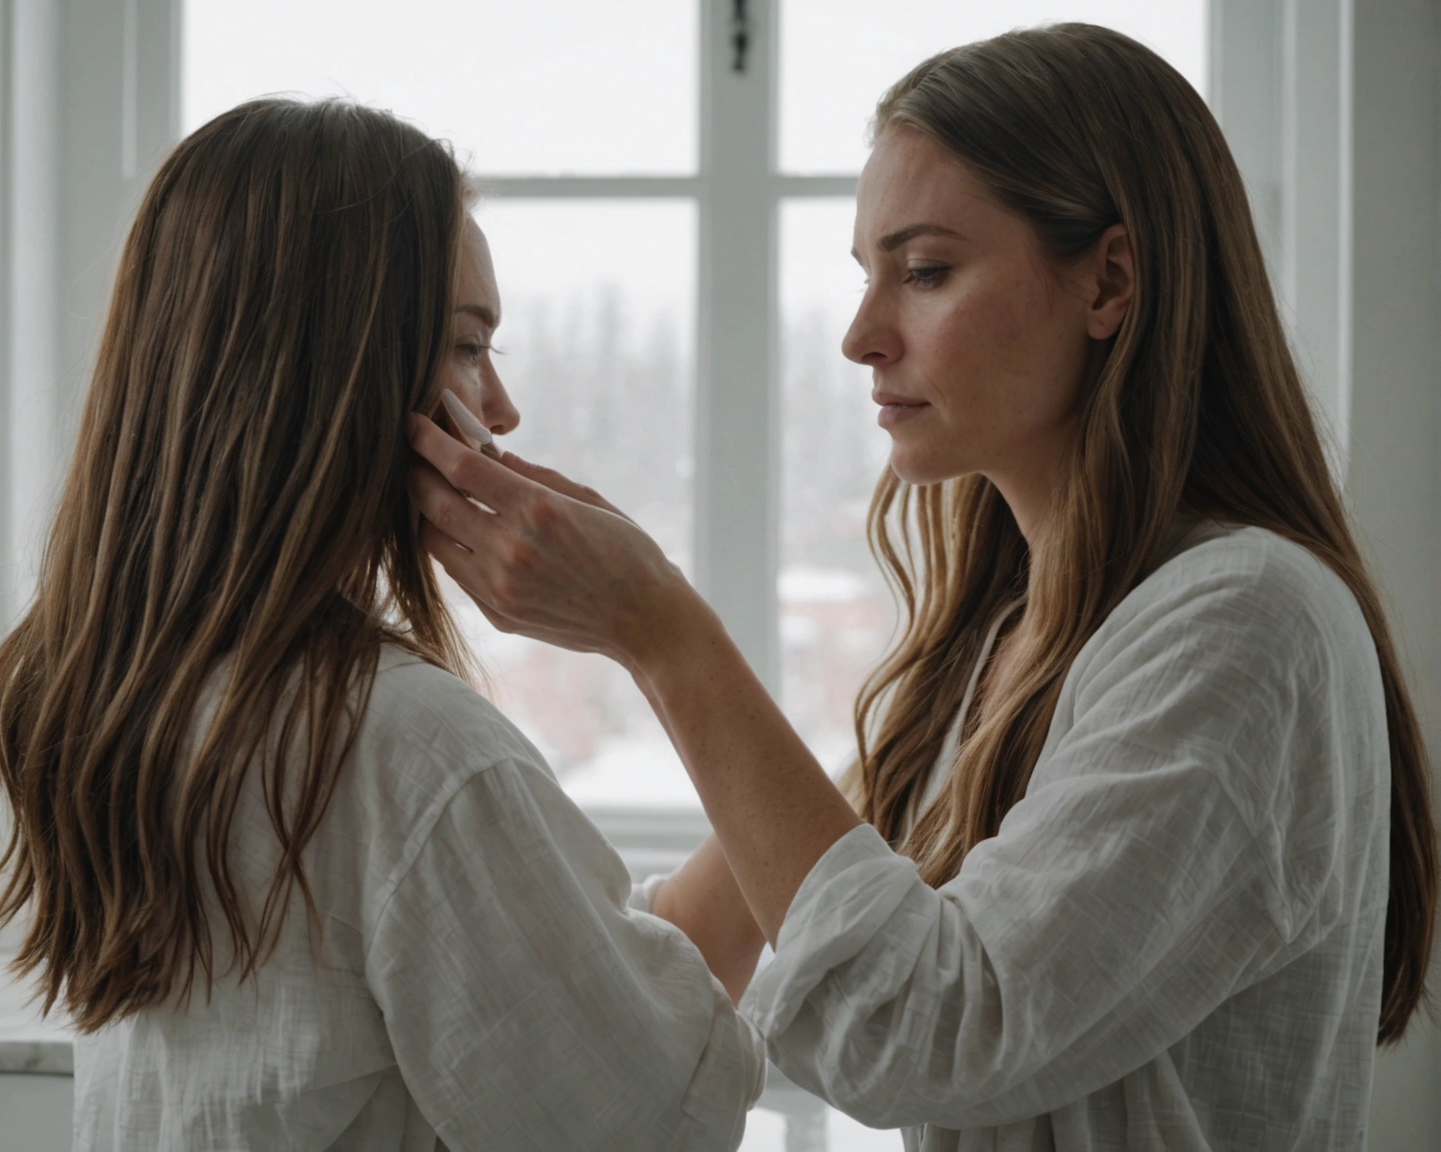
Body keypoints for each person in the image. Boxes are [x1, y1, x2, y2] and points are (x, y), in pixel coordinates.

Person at [408, 23, 1436, 1150]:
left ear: (1111, 280)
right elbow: (713, 953)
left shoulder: (1247, 622)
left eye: (927, 271)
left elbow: (929, 1035)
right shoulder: (997, 647)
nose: (860, 336)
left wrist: (666, 636)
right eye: (867, 275)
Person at [0, 98, 766, 1151]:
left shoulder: (108, 695)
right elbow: (650, 1116)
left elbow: (557, 998)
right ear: (332, 375)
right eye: (467, 347)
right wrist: (664, 630)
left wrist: (808, 800)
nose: (502, 408)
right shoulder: (407, 750)